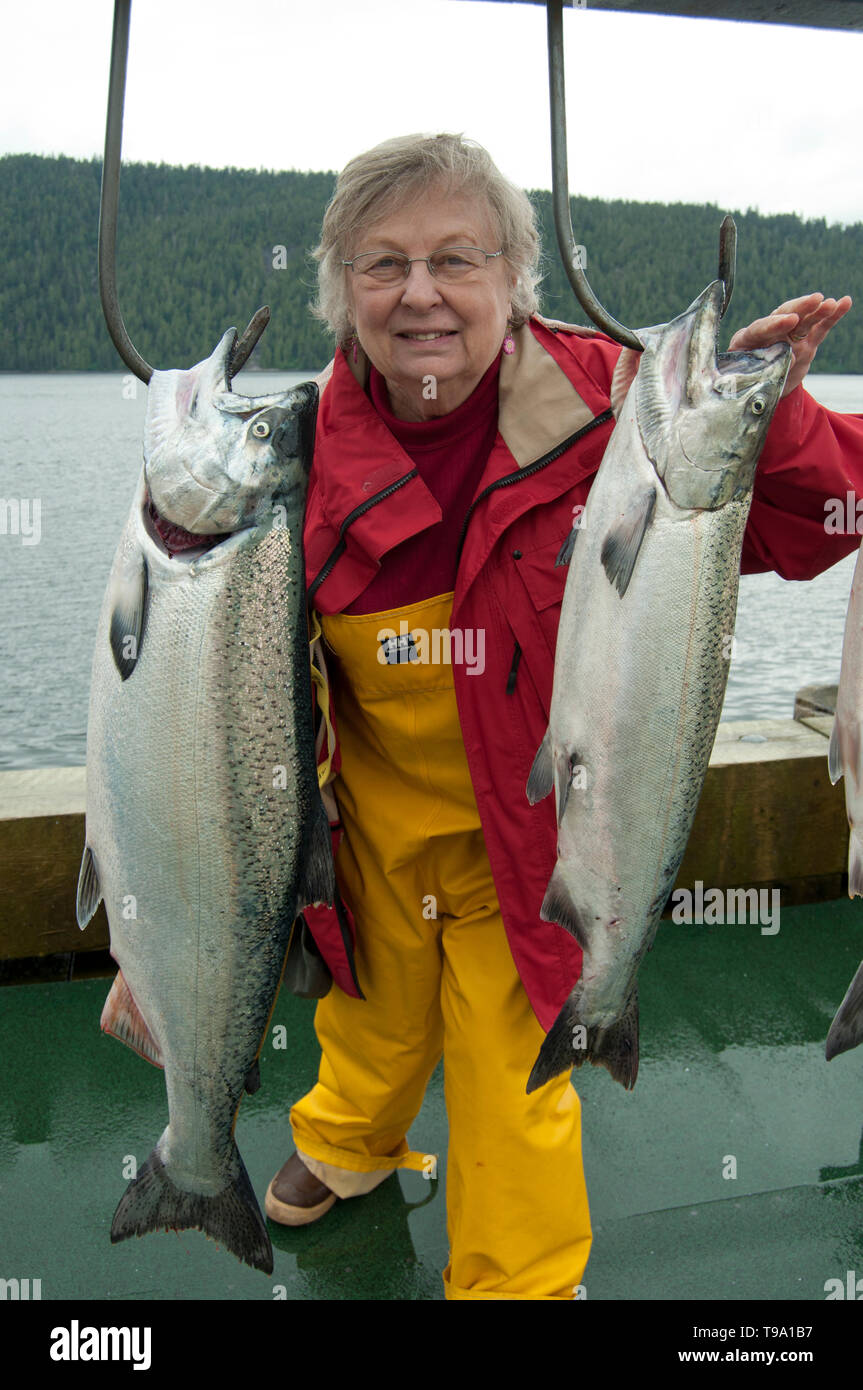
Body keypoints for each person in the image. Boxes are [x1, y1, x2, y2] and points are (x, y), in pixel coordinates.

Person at [264, 133, 859, 1301]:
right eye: (382, 265)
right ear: (340, 289)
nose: (420, 293)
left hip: (530, 837)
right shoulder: (283, 462)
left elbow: (827, 515)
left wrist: (760, 413)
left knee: (511, 1080)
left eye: (457, 258)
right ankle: (347, 1141)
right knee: (369, 1019)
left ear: (514, 277)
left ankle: (518, 1285)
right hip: (373, 831)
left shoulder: (622, 403)